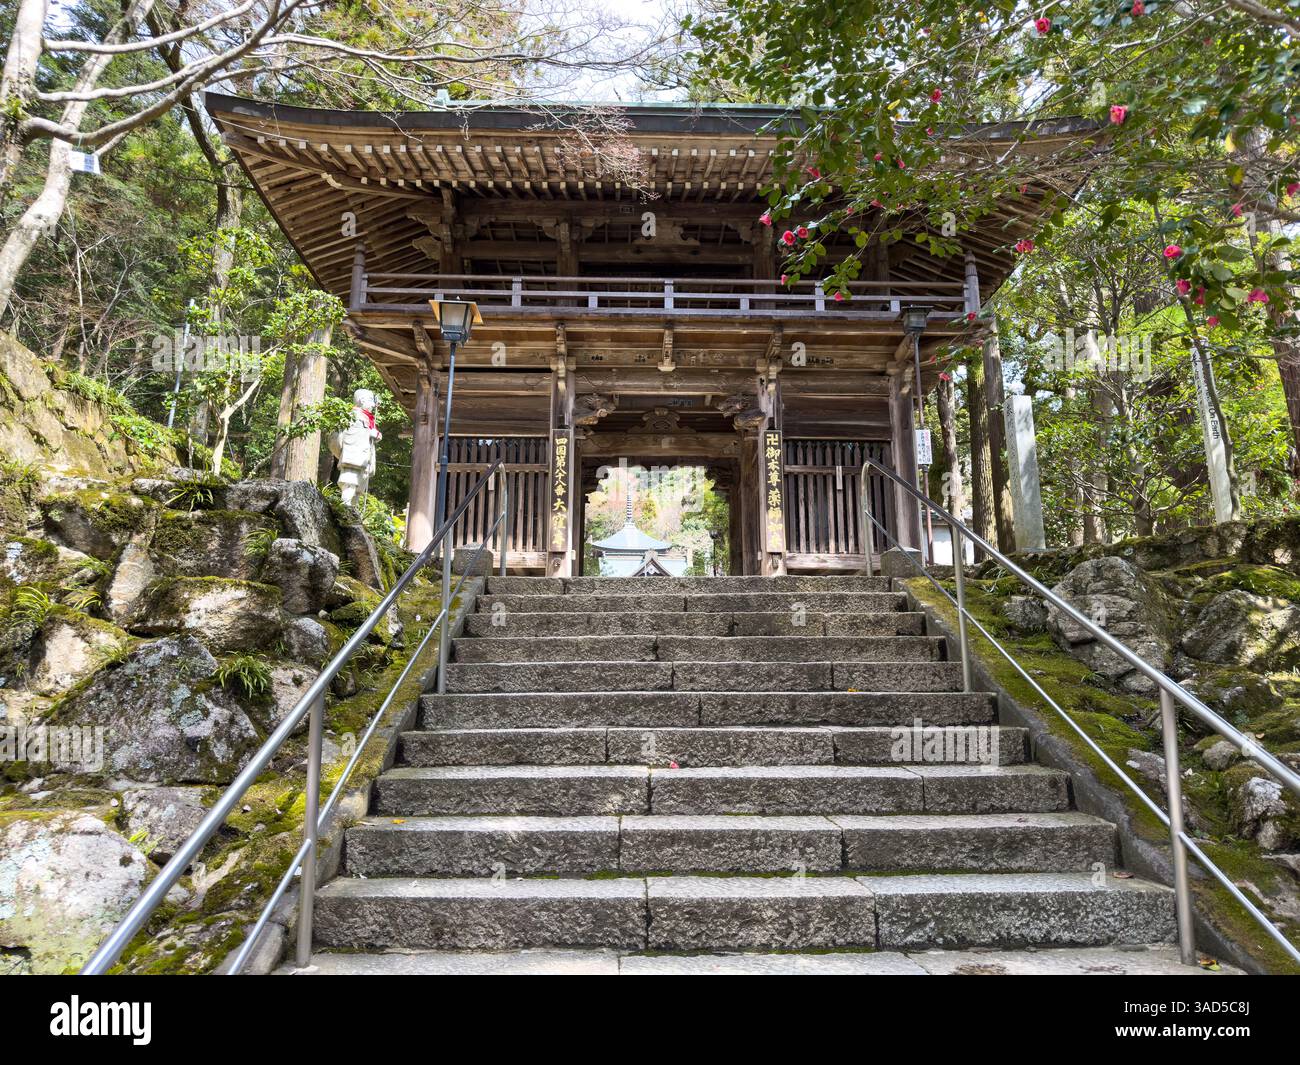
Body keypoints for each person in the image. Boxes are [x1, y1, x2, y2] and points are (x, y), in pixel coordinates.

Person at [331, 388, 381, 505]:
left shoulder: (367, 419)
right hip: (353, 457)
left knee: (358, 490)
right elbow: (346, 436)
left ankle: (353, 514)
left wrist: (374, 435)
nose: (373, 405)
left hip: (364, 460)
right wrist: (369, 433)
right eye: (371, 400)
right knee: (349, 485)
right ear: (362, 400)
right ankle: (344, 509)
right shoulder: (352, 416)